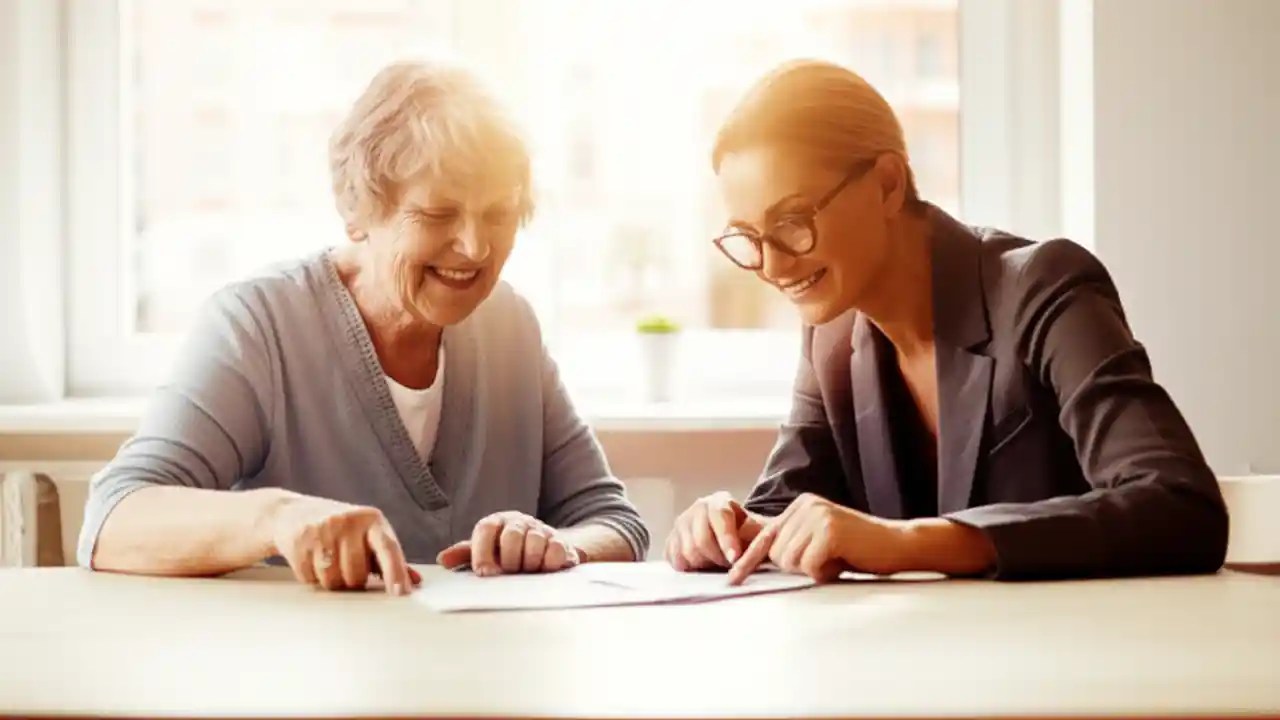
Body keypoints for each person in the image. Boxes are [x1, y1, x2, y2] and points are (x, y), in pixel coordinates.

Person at [78, 61, 649, 594]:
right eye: (437, 215)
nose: (475, 247)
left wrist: (556, 546)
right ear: (359, 213)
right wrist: (281, 518)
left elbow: (614, 522)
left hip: (480, 683)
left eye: (498, 215)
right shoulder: (258, 327)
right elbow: (114, 518)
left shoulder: (510, 325)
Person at [667, 59, 1228, 582]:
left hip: (1084, 664)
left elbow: (1178, 503)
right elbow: (787, 507)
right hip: (933, 669)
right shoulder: (832, 334)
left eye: (792, 221)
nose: (771, 264)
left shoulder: (1042, 286)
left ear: (887, 184)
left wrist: (912, 543)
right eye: (748, 237)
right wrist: (727, 529)